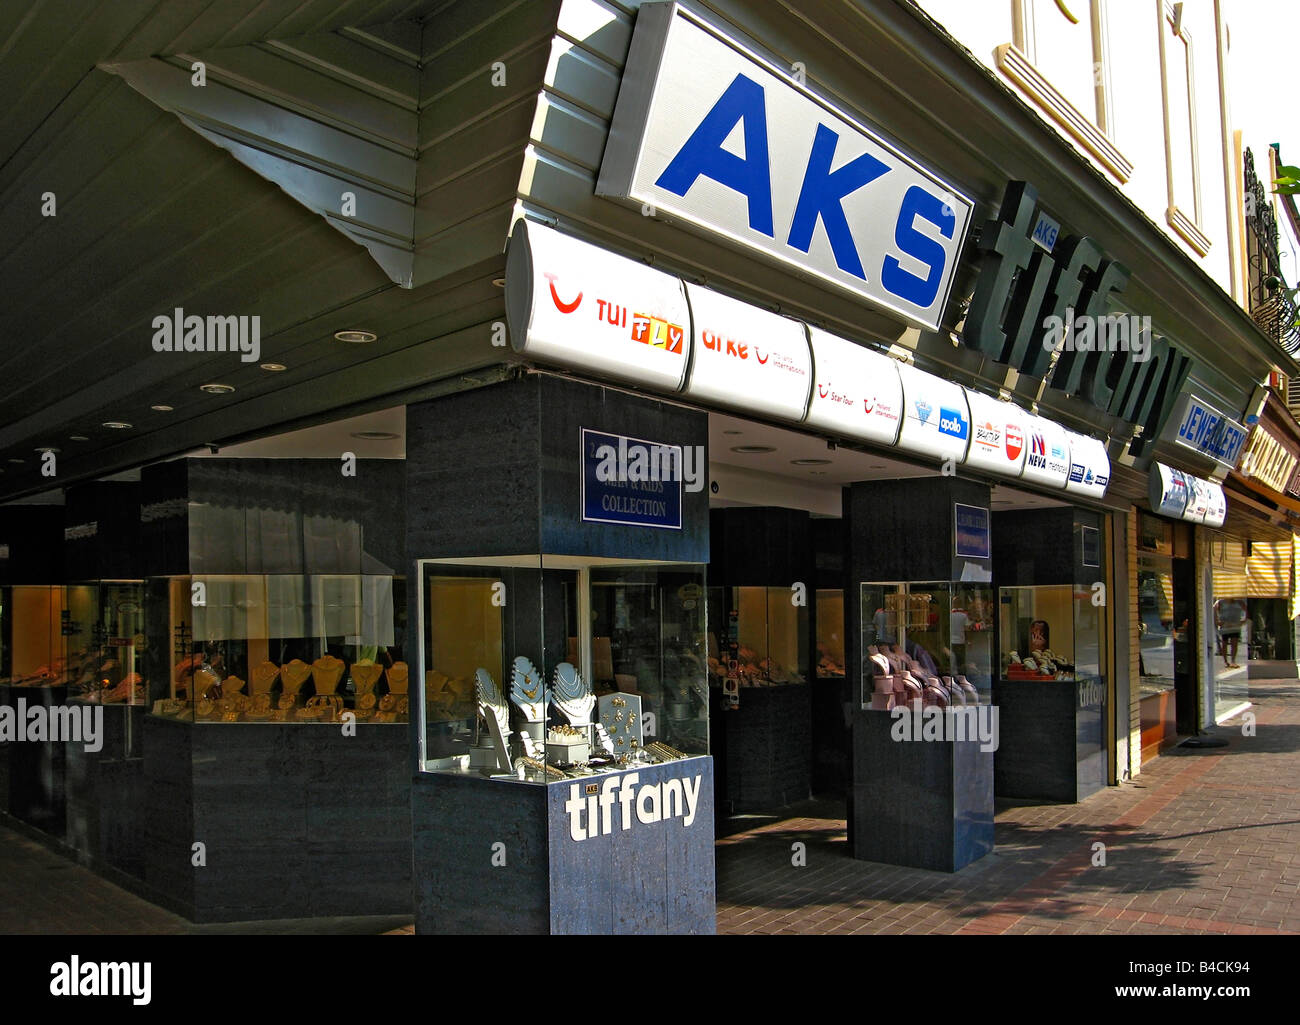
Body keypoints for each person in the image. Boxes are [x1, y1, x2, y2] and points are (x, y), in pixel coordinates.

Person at [1216, 596, 1246, 668]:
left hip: (1235, 626)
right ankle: (1225, 661)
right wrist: (1217, 621)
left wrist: (1243, 620)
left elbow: (1246, 610)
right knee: (1224, 643)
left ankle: (1233, 661)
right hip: (1225, 626)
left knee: (1234, 643)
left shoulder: (1239, 601)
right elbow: (1215, 610)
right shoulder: (1220, 602)